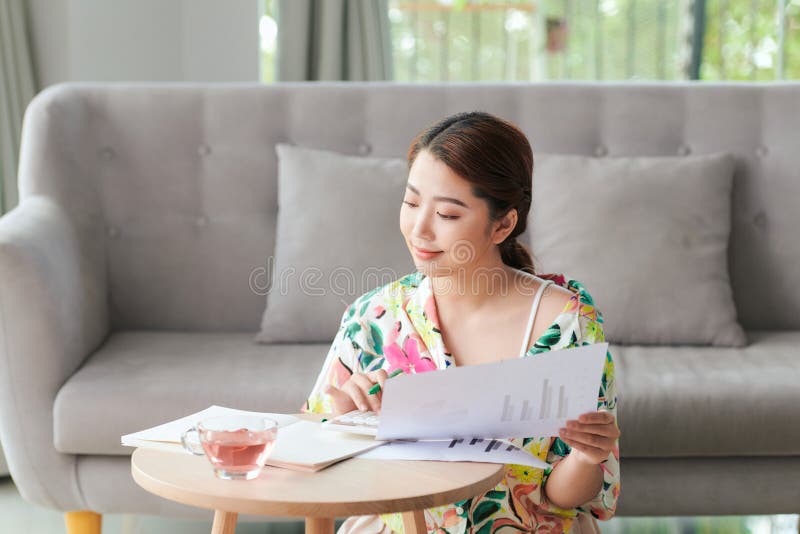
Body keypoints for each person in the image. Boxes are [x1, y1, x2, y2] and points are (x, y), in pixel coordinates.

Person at [302, 111, 620, 534]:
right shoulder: (374, 317)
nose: (419, 229)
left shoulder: (566, 324)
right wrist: (342, 414)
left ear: (503, 224)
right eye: (411, 203)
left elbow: (561, 498)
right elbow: (306, 455)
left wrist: (586, 457)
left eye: (448, 215)